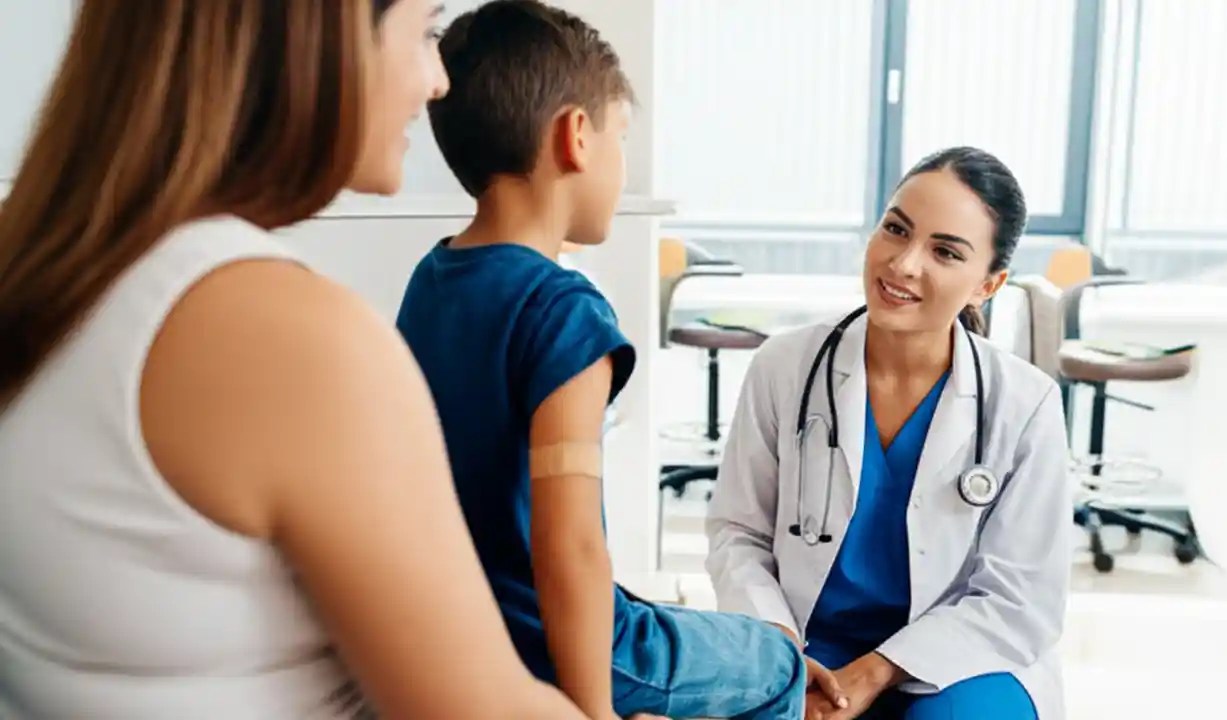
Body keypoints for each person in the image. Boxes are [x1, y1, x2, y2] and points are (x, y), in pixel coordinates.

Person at [0, 1, 588, 717]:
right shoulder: (285, 337)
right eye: (425, 29)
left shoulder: (53, 275)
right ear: (319, 34)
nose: (437, 80)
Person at [395, 2, 806, 718]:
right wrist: (592, 712)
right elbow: (571, 547)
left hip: (463, 629)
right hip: (556, 643)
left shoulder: (430, 282)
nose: (623, 161)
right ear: (576, 137)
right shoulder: (565, 311)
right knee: (777, 661)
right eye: (620, 136)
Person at [706, 147, 1072, 720]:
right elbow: (739, 533)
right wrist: (779, 650)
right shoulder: (786, 367)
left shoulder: (1023, 404)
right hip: (804, 645)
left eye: (945, 252)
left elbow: (1018, 597)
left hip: (957, 658)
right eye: (896, 229)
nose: (903, 264)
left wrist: (876, 670)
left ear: (988, 284)